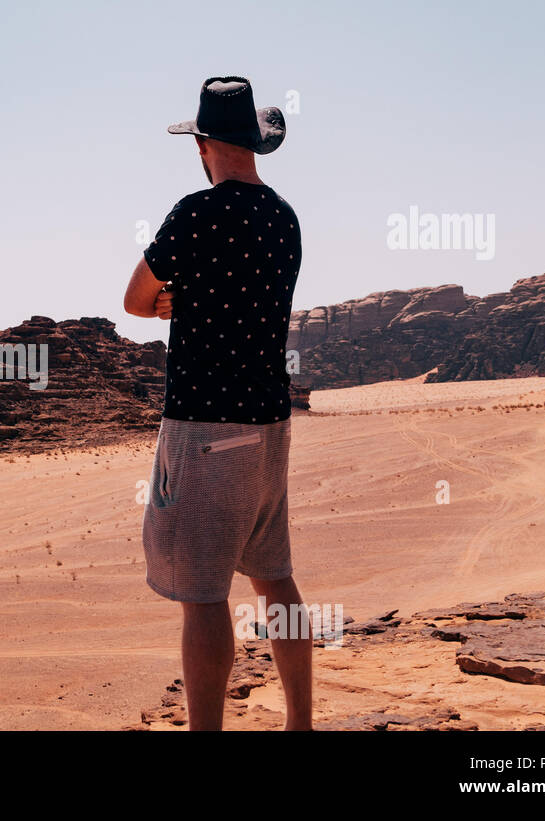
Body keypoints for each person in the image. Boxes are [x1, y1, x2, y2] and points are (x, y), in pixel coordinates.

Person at [123, 76, 311, 731]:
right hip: (270, 427)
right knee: (275, 579)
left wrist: (166, 303)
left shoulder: (193, 216)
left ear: (203, 144)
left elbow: (134, 297)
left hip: (205, 428)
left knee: (204, 596)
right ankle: (301, 724)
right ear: (252, 144)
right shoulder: (284, 218)